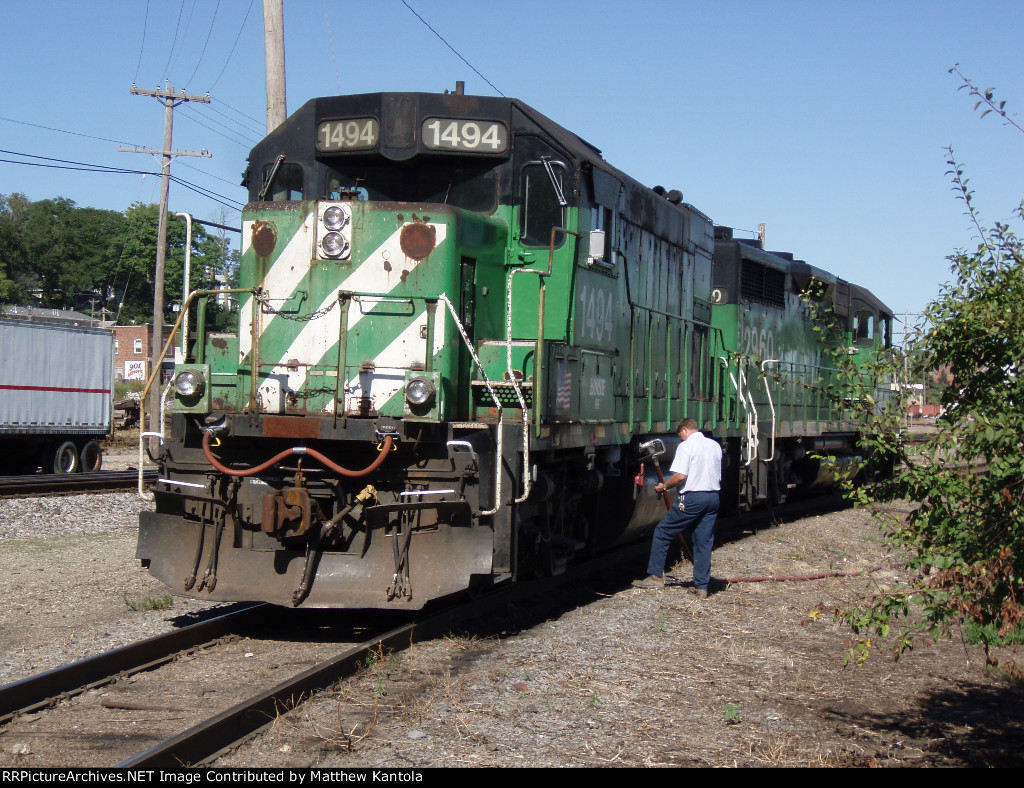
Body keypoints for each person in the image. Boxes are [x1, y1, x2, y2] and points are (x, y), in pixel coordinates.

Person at [634, 418, 722, 597]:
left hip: (693, 498)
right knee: (703, 541)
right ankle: (702, 587)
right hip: (713, 497)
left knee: (663, 532)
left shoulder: (686, 446)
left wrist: (664, 486)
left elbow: (680, 476)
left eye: (680, 434)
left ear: (685, 429)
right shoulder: (714, 445)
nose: (680, 438)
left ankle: (655, 577)